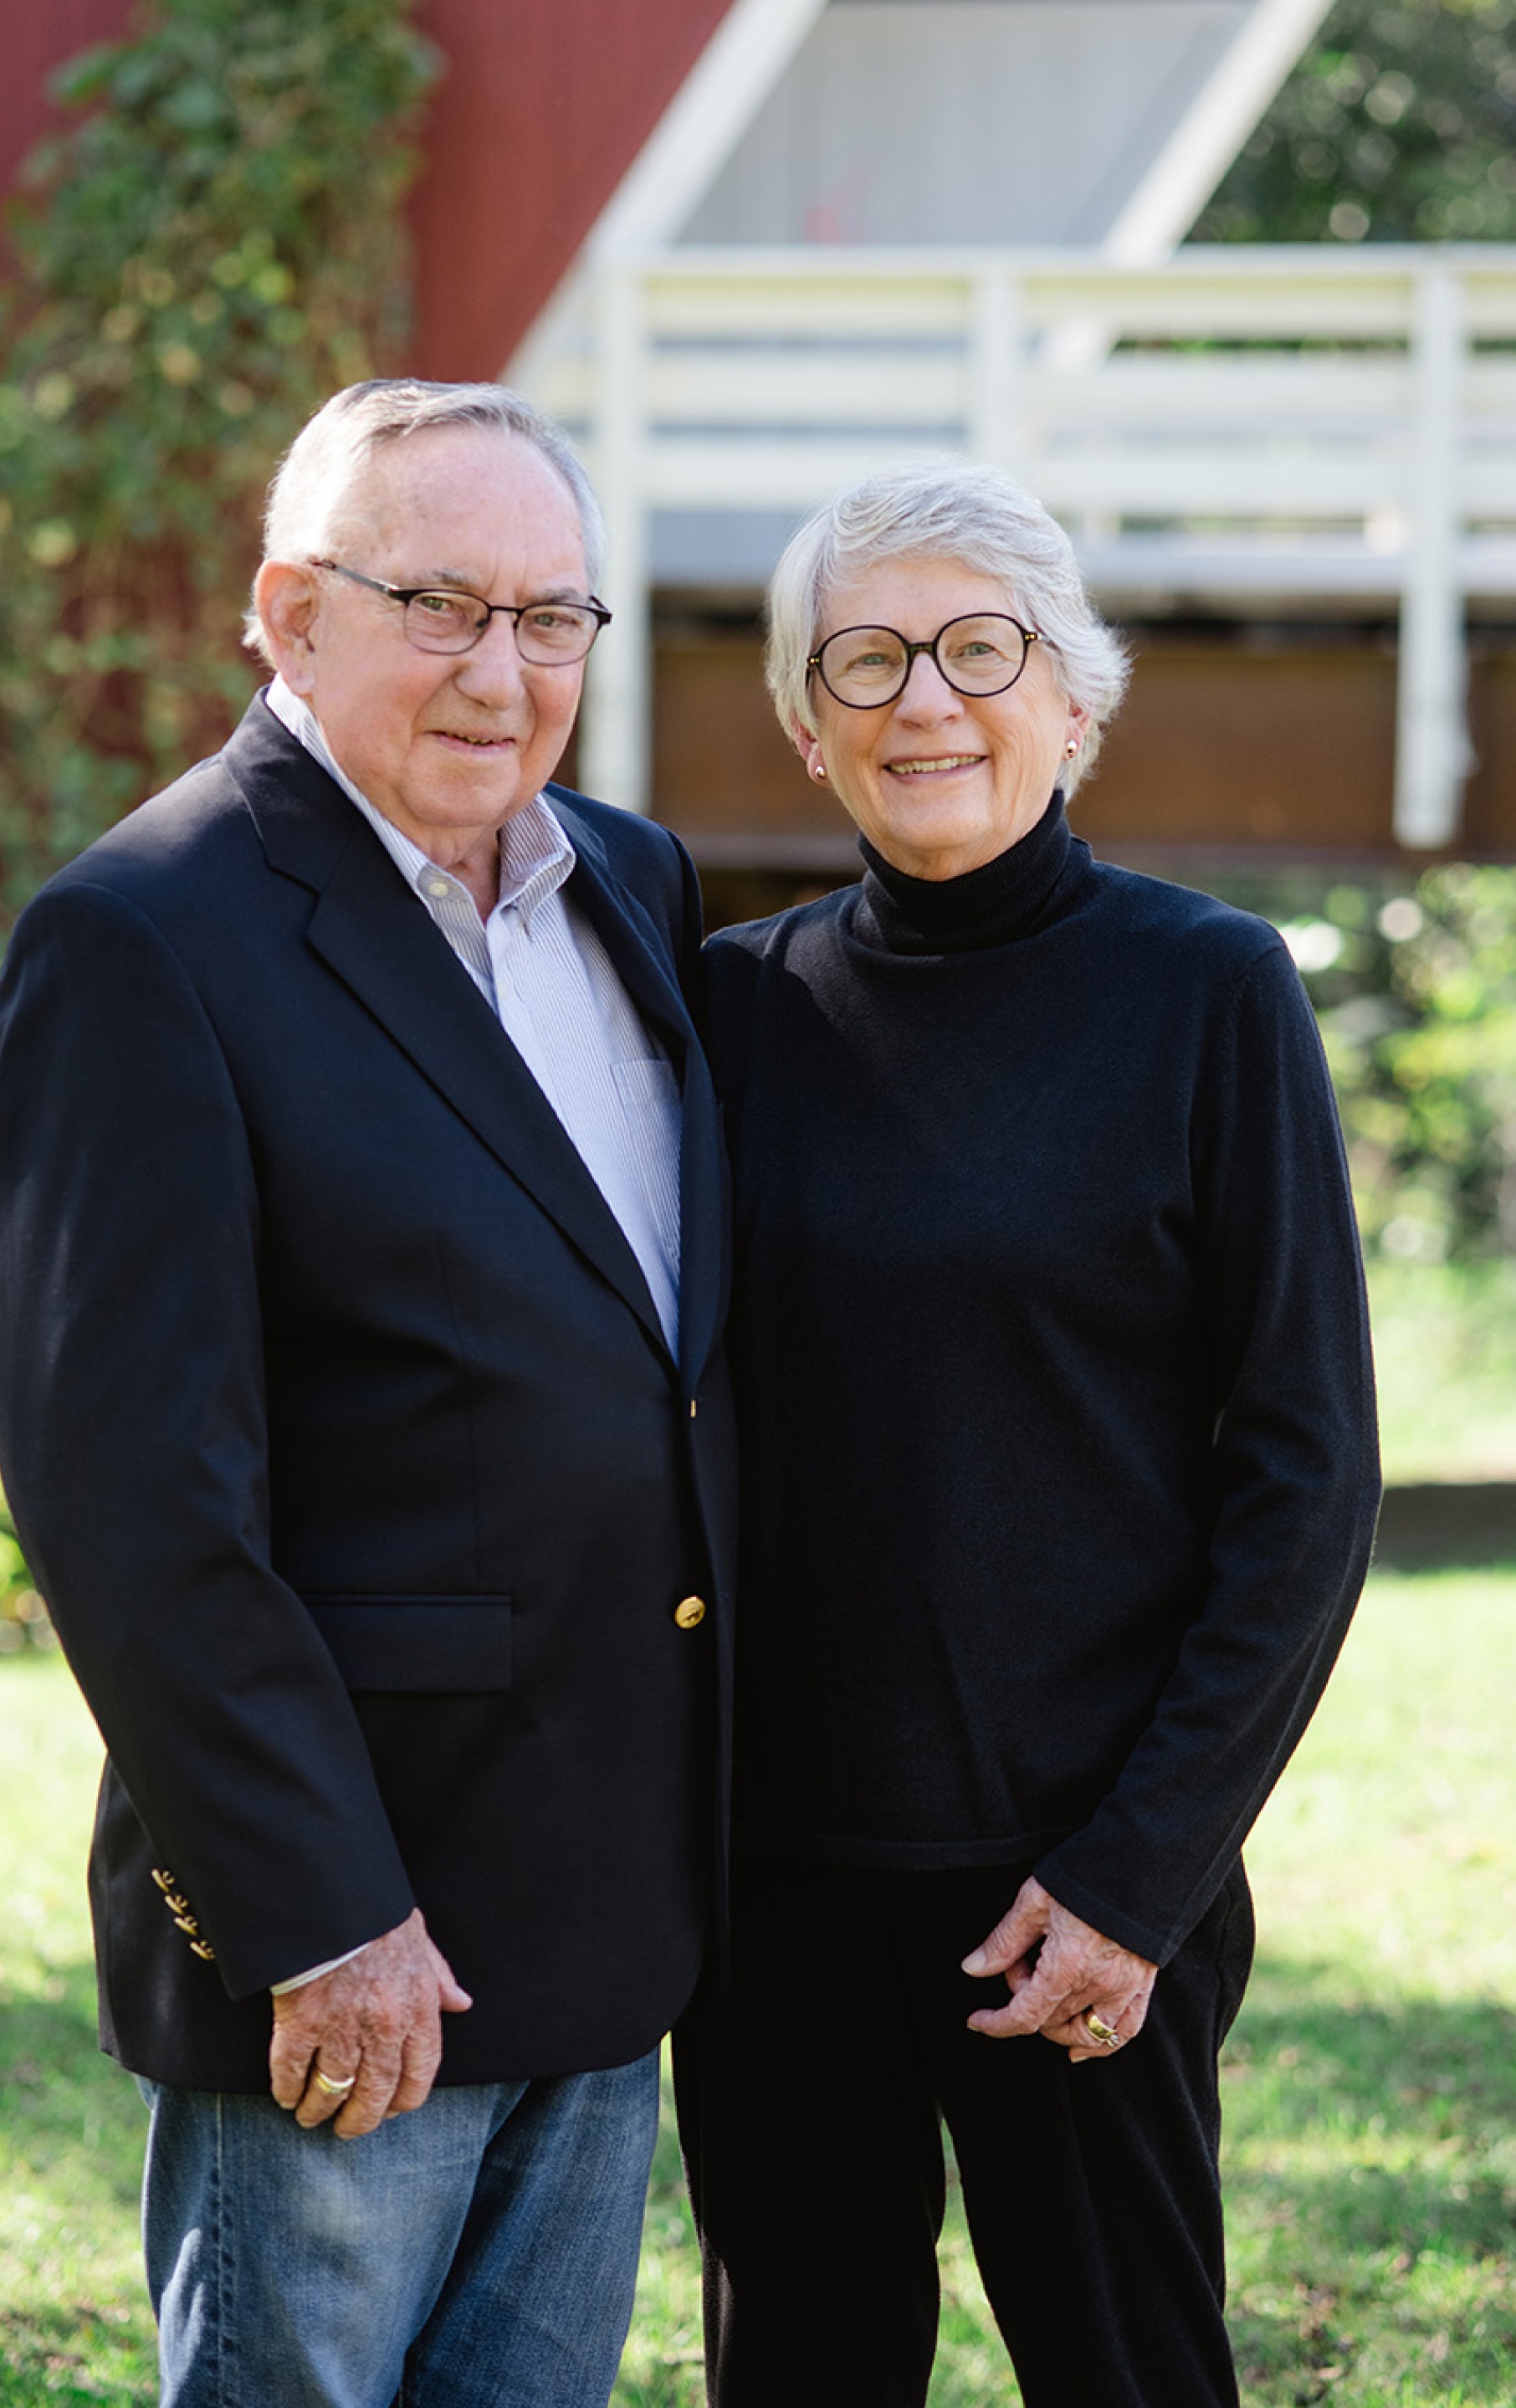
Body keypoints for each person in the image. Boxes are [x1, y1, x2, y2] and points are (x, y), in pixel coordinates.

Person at [0, 378, 735, 2408]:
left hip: (607, 1901)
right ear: (291, 612)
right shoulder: (148, 933)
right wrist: (320, 1915)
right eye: (441, 604)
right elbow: (131, 1498)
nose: (504, 669)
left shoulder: (633, 885)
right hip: (360, 1925)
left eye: (552, 615)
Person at [673, 459, 1380, 2406]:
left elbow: (1308, 1471)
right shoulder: (729, 1007)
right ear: (808, 727)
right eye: (867, 659)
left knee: (1128, 2370)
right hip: (778, 1887)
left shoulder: (1209, 992)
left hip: (1077, 1881)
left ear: (1074, 698)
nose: (926, 699)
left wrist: (1141, 1877)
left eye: (981, 650)